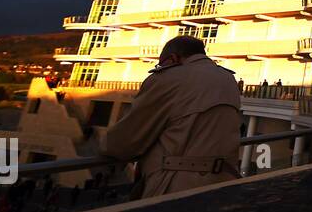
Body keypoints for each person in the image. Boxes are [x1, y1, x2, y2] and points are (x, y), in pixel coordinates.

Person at [102, 35, 242, 199]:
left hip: (176, 184)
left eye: (161, 63)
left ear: (173, 58)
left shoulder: (169, 78)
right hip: (223, 182)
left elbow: (130, 135)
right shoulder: (227, 78)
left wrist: (106, 146)